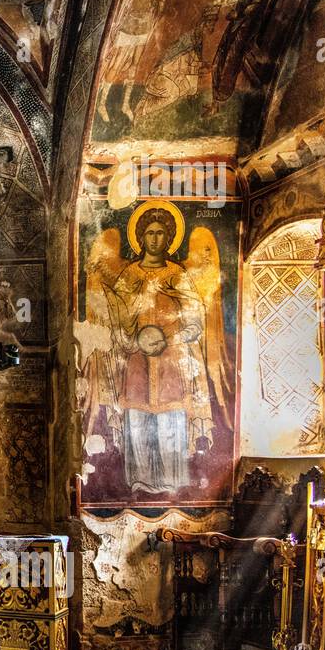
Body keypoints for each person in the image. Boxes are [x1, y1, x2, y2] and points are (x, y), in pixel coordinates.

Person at [102, 206, 209, 495]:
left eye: (161, 233)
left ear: (169, 237)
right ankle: (141, 482)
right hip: (136, 360)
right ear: (140, 237)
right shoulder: (129, 274)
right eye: (149, 233)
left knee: (170, 423)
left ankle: (171, 484)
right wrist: (133, 339)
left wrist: (171, 338)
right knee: (137, 422)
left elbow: (195, 319)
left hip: (171, 362)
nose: (154, 239)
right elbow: (117, 317)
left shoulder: (178, 275)